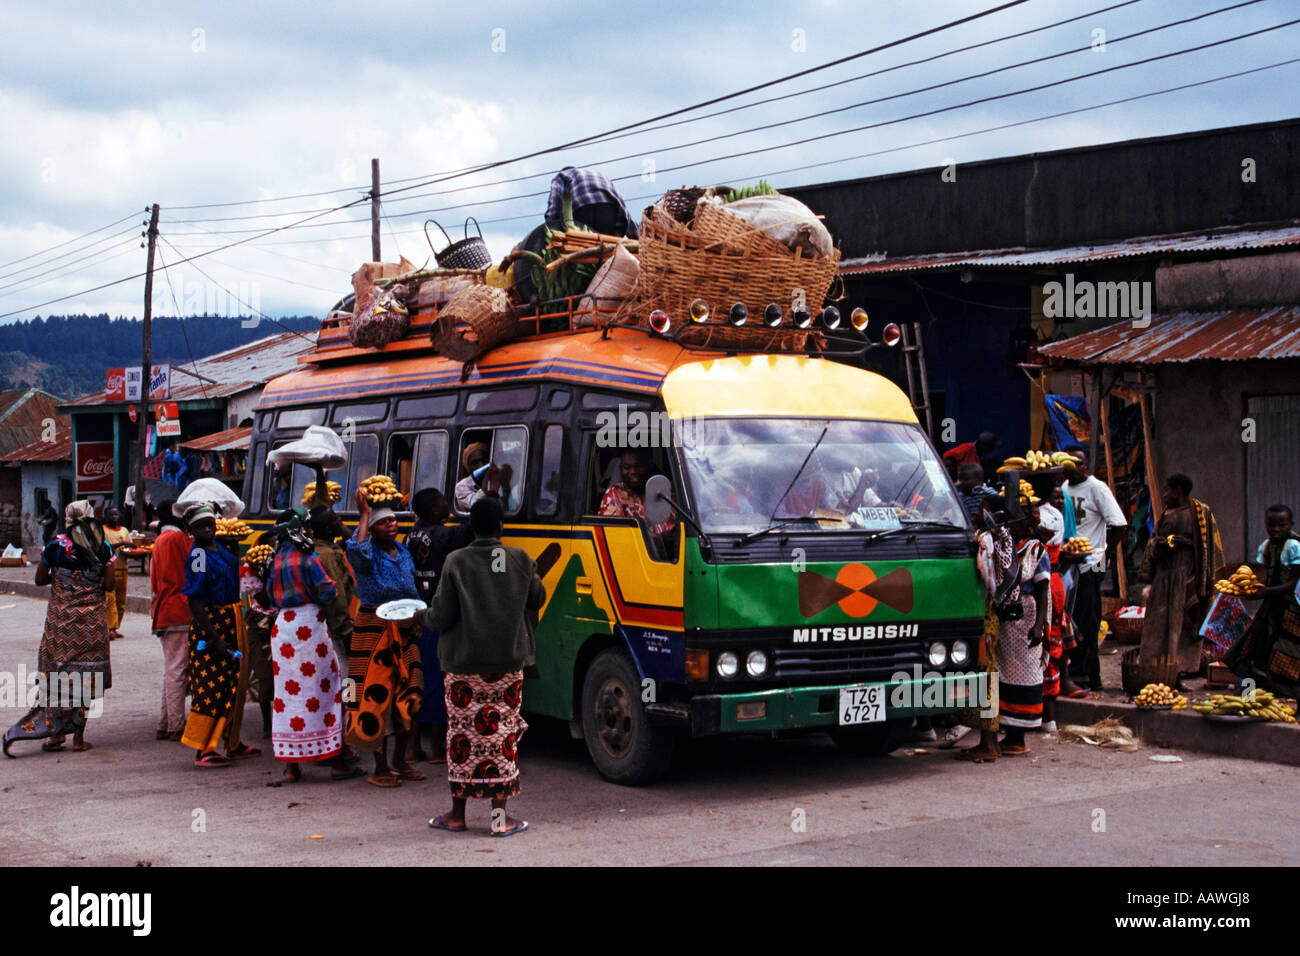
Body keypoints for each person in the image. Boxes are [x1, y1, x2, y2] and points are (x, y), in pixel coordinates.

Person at [421, 496, 545, 836]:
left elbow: (441, 615)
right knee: (501, 737)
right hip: (506, 667)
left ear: (471, 528)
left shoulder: (456, 561)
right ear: (501, 526)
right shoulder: (518, 558)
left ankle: (457, 815)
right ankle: (499, 820)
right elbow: (537, 599)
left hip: (463, 667)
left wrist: (422, 616)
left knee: (462, 737)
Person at [2, 502, 114, 757]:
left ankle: (54, 735)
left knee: (57, 675)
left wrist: (61, 579)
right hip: (91, 625)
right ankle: (78, 738)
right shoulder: (103, 547)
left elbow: (39, 579)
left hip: (61, 622)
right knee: (86, 677)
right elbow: (108, 585)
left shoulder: (55, 546)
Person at [264, 509, 363, 782]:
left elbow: (269, 597)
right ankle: (337, 761)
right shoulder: (309, 558)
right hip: (311, 626)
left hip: (283, 627)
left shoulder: (275, 558)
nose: (309, 532)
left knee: (288, 697)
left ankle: (291, 766)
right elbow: (328, 592)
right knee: (326, 690)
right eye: (305, 527)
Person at [345, 489, 426, 787]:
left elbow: (411, 587)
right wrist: (364, 514)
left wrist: (417, 619)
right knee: (374, 696)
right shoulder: (367, 556)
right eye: (383, 523)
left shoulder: (402, 551)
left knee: (411, 692)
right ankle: (379, 767)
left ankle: (400, 760)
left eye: (393, 521)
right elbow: (357, 549)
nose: (391, 526)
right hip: (373, 629)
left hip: (404, 628)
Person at [180, 503, 259, 768]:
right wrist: (213, 637)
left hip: (231, 620)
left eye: (210, 524)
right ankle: (203, 748)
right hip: (211, 626)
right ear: (191, 530)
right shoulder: (199, 555)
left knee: (233, 683)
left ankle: (232, 742)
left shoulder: (221, 549)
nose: (208, 529)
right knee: (211, 687)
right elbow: (195, 601)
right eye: (201, 526)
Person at [406, 487, 473, 764]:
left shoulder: (411, 534)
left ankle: (413, 746)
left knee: (415, 680)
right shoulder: (443, 535)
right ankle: (436, 747)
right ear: (435, 510)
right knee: (436, 681)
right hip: (434, 616)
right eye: (444, 502)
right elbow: (472, 528)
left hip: (415, 613)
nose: (448, 506)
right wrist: (492, 490)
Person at [1139, 474, 1223, 682]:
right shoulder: (1167, 514)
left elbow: (1207, 546)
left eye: (1167, 490)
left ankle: (1179, 671)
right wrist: (1161, 543)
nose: (1164, 495)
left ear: (1179, 491)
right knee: (1158, 624)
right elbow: (1153, 543)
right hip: (1164, 579)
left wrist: (1187, 545)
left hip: (1187, 579)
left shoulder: (1199, 514)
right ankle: (1155, 670)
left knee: (1183, 626)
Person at [952, 494, 1012, 762]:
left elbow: (988, 580)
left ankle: (989, 743)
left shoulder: (987, 541)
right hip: (989, 615)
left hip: (986, 615)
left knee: (987, 680)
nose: (976, 513)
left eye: (981, 510)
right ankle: (989, 741)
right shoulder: (1000, 538)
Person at [1062, 446, 1127, 691]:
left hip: (1091, 564)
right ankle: (1080, 673)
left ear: (1087, 465)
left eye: (1080, 463)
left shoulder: (1097, 488)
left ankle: (1088, 676)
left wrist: (1103, 558)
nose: (1077, 467)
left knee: (1088, 621)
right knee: (1072, 621)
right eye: (1072, 463)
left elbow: (1119, 525)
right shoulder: (1065, 490)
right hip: (1070, 565)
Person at [996, 495, 1052, 756]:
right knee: (1006, 671)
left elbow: (1042, 589)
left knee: (1025, 672)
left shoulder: (1035, 549)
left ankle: (1018, 736)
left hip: (1027, 615)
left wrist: (1039, 626)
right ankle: (1009, 734)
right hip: (1008, 618)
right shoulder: (1007, 546)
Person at [1226, 504, 1300, 695]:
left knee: (1287, 658)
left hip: (1291, 611)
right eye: (1271, 525)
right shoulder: (1266, 547)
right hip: (1271, 608)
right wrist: (1248, 589)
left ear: (1290, 525)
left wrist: (1266, 591)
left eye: (1281, 525)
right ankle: (1249, 696)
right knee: (1247, 651)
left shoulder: (1293, 547)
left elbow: (1294, 583)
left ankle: (1289, 700)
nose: (1275, 529)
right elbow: (1260, 575)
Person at [149, 499, 191, 741]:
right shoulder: (179, 540)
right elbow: (196, 566)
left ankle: (167, 722)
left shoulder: (160, 541)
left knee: (171, 669)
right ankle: (175, 724)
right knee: (177, 670)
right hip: (179, 610)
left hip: (164, 610)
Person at [600, 449, 675, 535]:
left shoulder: (663, 491)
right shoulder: (615, 493)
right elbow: (613, 532)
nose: (633, 472)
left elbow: (674, 527)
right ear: (620, 469)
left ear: (648, 467)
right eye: (627, 467)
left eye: (638, 466)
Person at [101, 505, 132, 641]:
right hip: (109, 569)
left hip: (123, 567)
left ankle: (115, 626)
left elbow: (129, 547)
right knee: (110, 599)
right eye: (111, 515)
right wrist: (121, 544)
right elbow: (103, 547)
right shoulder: (103, 530)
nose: (114, 517)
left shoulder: (124, 530)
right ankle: (111, 627)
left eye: (116, 514)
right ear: (106, 516)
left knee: (121, 599)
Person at [453, 442, 503, 512]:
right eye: (474, 463)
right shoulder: (461, 486)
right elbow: (477, 506)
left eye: (484, 460)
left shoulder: (498, 475)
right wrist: (488, 481)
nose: (481, 466)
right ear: (468, 469)